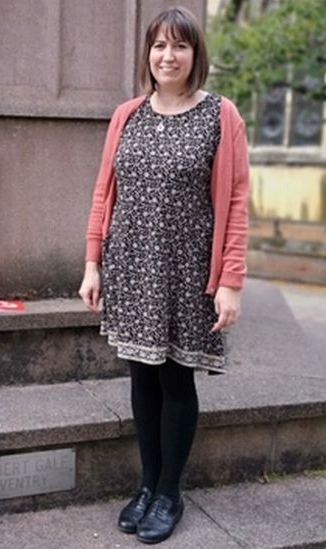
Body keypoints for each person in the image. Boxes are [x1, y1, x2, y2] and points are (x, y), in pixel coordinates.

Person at [78, 6, 250, 544]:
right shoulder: (126, 115)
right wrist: (92, 262)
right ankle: (147, 485)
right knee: (141, 376)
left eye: (179, 45)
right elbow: (105, 191)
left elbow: (237, 202)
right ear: (147, 54)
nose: (167, 56)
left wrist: (231, 281)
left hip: (188, 269)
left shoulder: (221, 116)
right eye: (159, 45)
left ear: (196, 54)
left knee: (176, 379)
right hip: (131, 265)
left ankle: (170, 492)